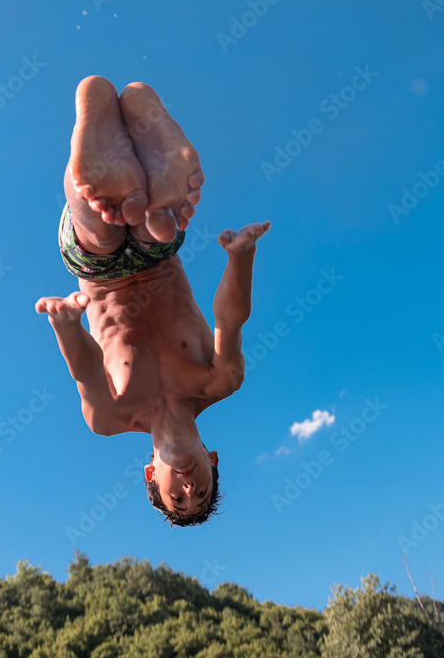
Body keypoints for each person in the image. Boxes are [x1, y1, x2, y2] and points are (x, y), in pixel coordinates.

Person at [36, 76, 270, 526]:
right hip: (158, 257)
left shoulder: (109, 417)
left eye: (177, 497)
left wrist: (67, 327)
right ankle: (150, 173)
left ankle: (101, 147)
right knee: (158, 227)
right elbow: (231, 320)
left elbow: (85, 370)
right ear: (212, 459)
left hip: (97, 275)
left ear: (150, 473)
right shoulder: (221, 380)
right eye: (200, 490)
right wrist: (242, 256)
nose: (187, 487)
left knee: (99, 226)